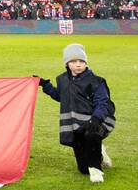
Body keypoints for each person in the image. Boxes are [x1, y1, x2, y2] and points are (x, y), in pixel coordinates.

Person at [36, 43, 115, 182]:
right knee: (83, 170)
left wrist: (96, 118)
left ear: (86, 62)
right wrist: (45, 85)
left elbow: (102, 102)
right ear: (67, 63)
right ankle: (99, 151)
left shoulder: (96, 81)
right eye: (73, 61)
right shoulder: (62, 79)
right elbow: (61, 97)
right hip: (75, 125)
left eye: (81, 61)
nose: (78, 64)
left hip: (95, 121)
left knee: (92, 135)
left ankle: (96, 171)